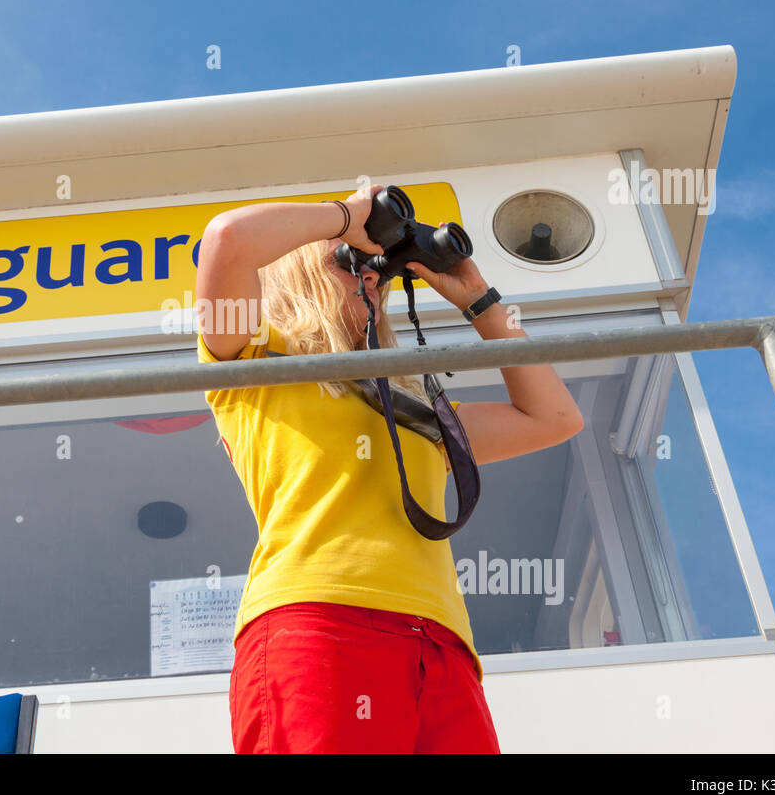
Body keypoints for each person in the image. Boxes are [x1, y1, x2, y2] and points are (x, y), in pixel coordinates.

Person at [195, 183, 585, 753]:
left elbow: (553, 417)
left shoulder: (417, 413)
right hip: (320, 624)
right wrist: (348, 217)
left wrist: (477, 297)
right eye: (347, 261)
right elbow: (228, 240)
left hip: (442, 644)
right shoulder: (252, 364)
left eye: (375, 265)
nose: (370, 271)